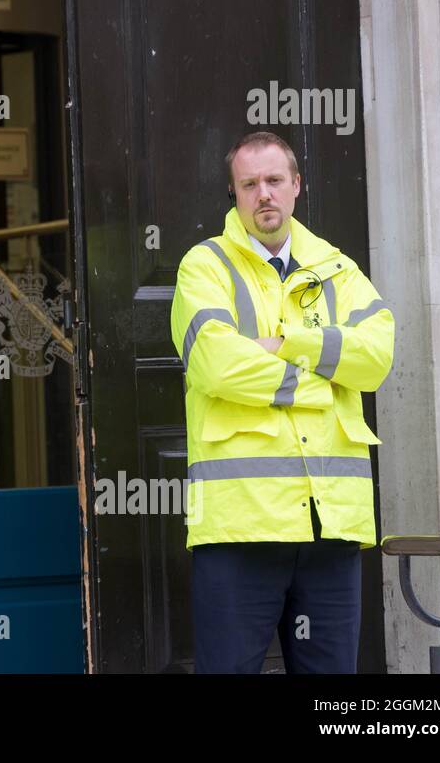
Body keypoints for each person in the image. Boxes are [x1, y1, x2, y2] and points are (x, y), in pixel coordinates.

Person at [169, 131, 395, 673]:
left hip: (330, 525)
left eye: (274, 181)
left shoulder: (337, 268)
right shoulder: (204, 267)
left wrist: (290, 343)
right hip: (241, 526)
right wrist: (322, 381)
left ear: (297, 185)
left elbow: (376, 359)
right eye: (249, 184)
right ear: (234, 193)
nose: (263, 194)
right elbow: (218, 365)